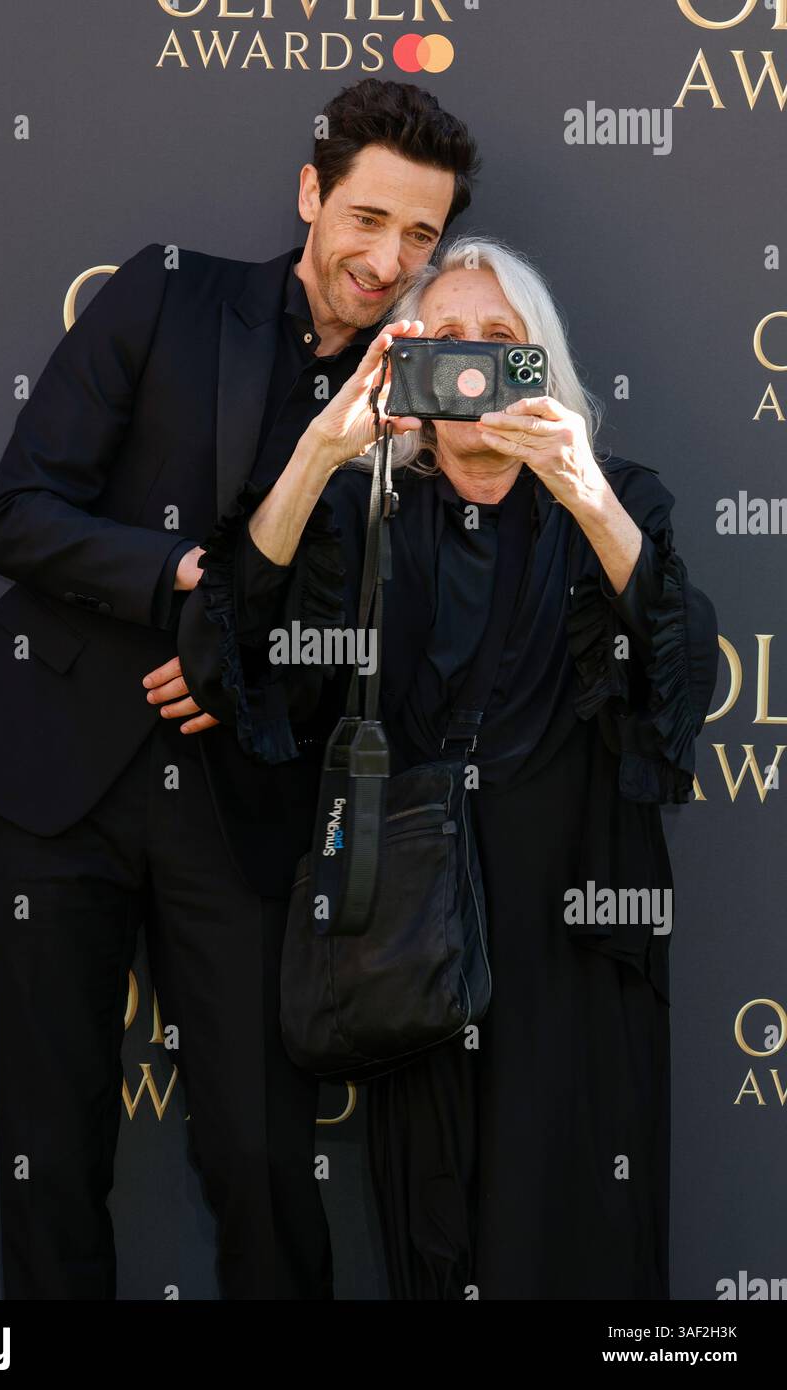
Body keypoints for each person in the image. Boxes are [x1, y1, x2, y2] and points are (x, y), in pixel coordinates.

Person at [0, 79, 482, 1299]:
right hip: (60, 777)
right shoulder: (171, 292)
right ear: (310, 195)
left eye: (420, 236)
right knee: (51, 1151)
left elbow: (397, 641)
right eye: (367, 218)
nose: (387, 259)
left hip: (244, 805)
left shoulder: (424, 401)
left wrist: (250, 667)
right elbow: (17, 516)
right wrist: (185, 580)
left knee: (267, 1156)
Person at [178, 233, 721, 1299]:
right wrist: (319, 451)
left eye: (500, 342)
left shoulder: (618, 502)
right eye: (448, 342)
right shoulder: (367, 510)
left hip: (573, 936)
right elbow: (232, 649)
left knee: (579, 1233)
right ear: (404, 366)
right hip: (415, 944)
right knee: (443, 1238)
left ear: (542, 364)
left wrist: (583, 491)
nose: (473, 364)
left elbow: (681, 680)